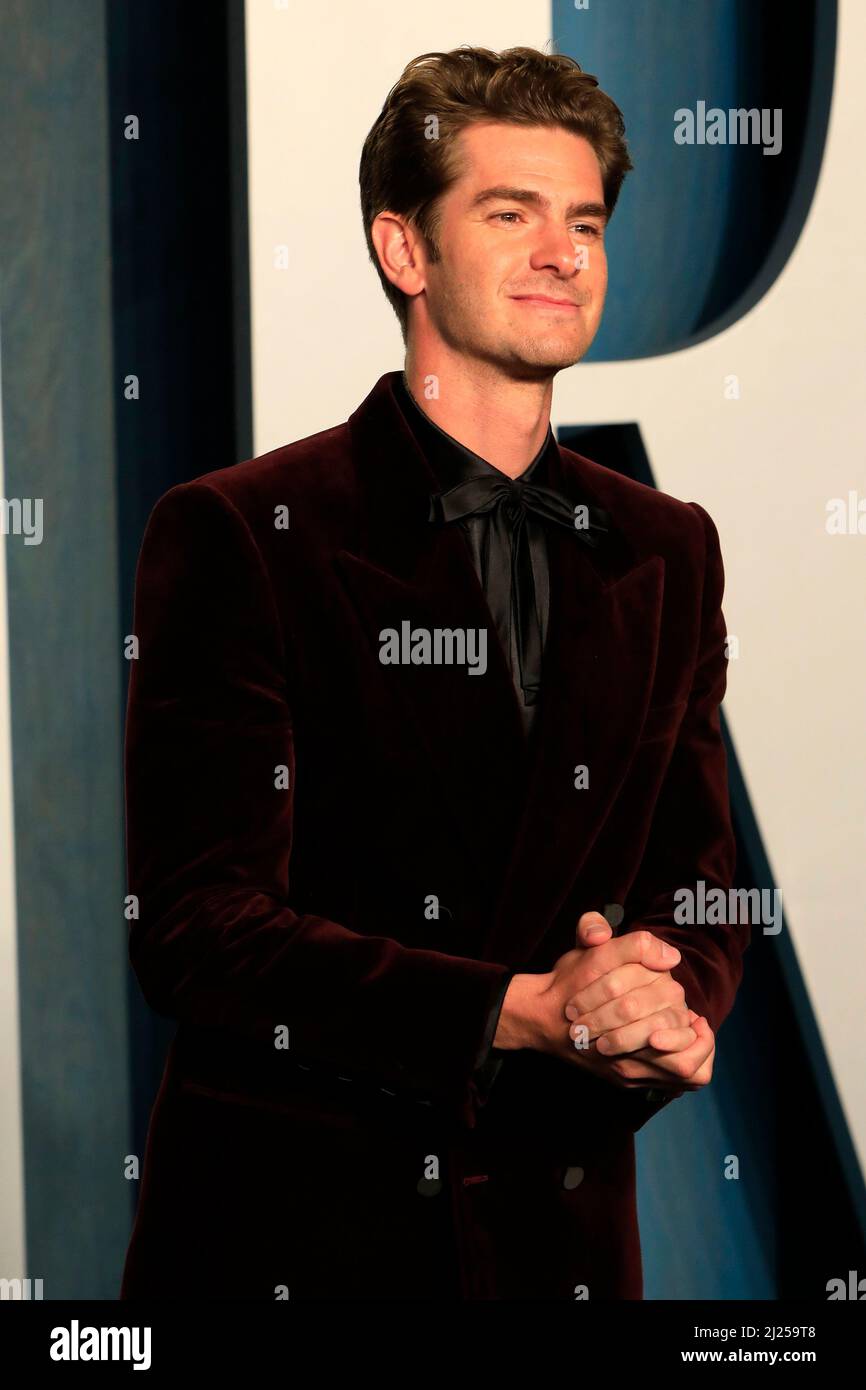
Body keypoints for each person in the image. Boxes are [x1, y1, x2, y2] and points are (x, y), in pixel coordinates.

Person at [120, 45, 749, 1301]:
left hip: (555, 1241)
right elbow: (199, 929)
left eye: (583, 221)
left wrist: (666, 1009)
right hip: (297, 1239)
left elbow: (699, 873)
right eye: (508, 214)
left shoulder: (668, 545)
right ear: (403, 251)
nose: (561, 252)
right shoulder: (244, 530)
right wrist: (515, 1009)